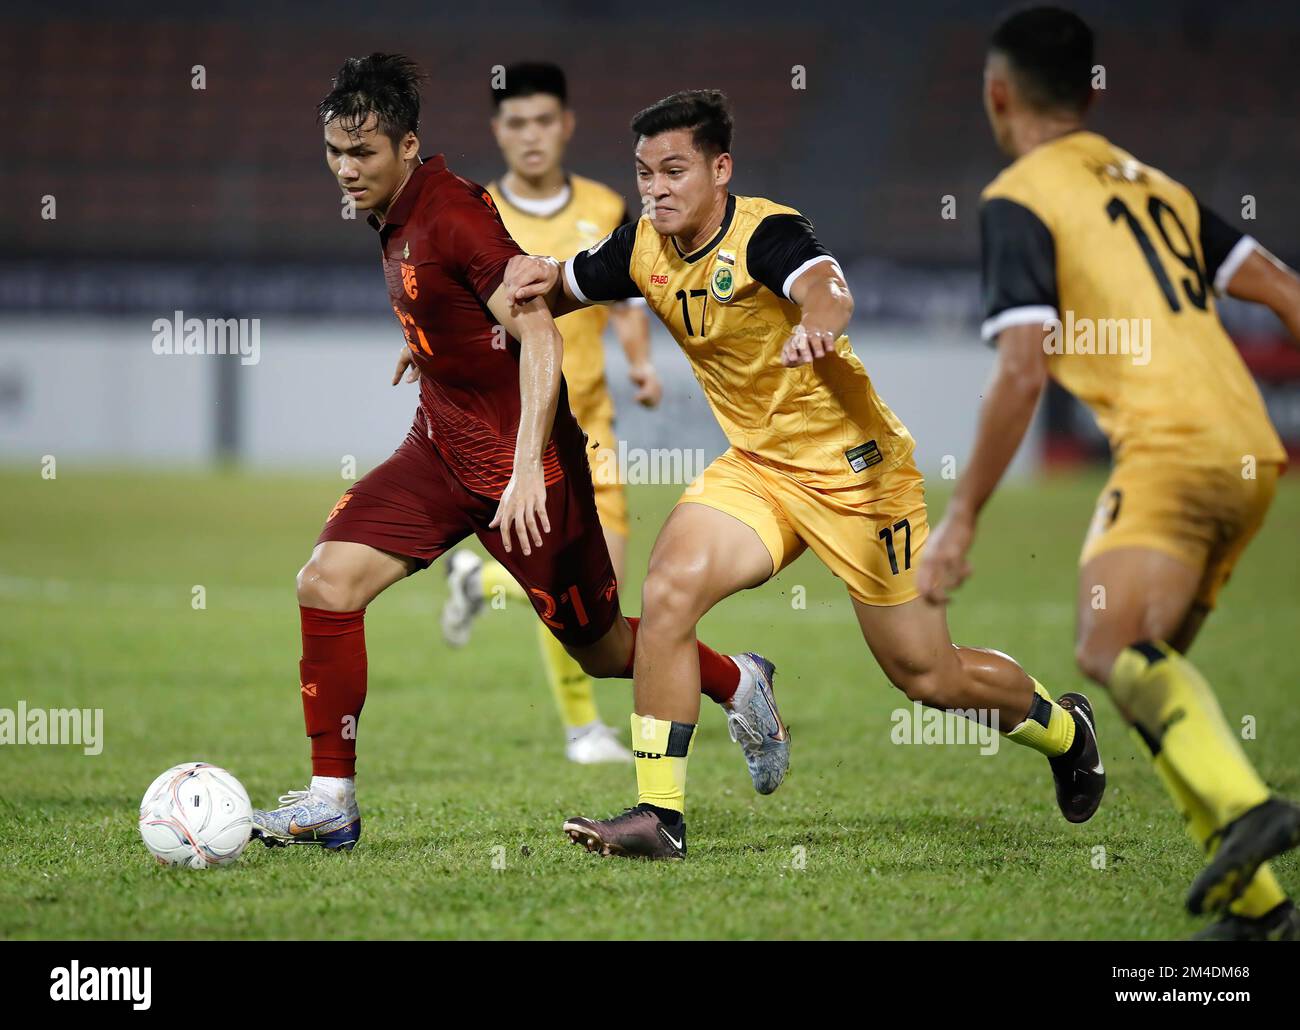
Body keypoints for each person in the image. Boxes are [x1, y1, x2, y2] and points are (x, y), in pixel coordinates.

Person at [505, 88, 1105, 861]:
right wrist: (478, 311)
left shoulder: (766, 233)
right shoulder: (640, 248)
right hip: (759, 469)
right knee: (669, 592)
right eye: (645, 173)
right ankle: (660, 817)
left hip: (859, 476)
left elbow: (826, 287)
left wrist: (818, 325)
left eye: (674, 171)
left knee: (926, 675)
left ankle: (1065, 731)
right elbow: (552, 287)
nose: (655, 189)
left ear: (721, 169)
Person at [251, 55, 783, 852]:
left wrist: (530, 467)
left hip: (526, 471)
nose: (346, 169)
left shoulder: (453, 212)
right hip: (439, 450)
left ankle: (739, 681)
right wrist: (431, 343)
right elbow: (458, 304)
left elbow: (540, 334)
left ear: (407, 147)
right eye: (335, 151)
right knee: (326, 583)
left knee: (604, 651)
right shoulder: (392, 210)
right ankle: (332, 801)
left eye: (362, 152)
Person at [919, 6, 1300, 939]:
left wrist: (962, 517)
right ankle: (1260, 915)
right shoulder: (1157, 185)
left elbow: (1021, 371)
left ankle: (1252, 811)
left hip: (1170, 450)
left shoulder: (1019, 196)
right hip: (1253, 454)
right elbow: (1288, 293)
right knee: (1147, 678)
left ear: (996, 95)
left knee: (1105, 651)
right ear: (1090, 95)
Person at [440, 61, 660, 766]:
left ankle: (479, 580)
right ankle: (582, 730)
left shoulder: (605, 204)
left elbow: (627, 294)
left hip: (593, 424)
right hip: (518, 426)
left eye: (542, 121)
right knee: (562, 573)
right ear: (497, 131)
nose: (530, 136)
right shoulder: (476, 212)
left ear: (565, 126)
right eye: (516, 123)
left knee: (603, 591)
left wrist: (640, 361)